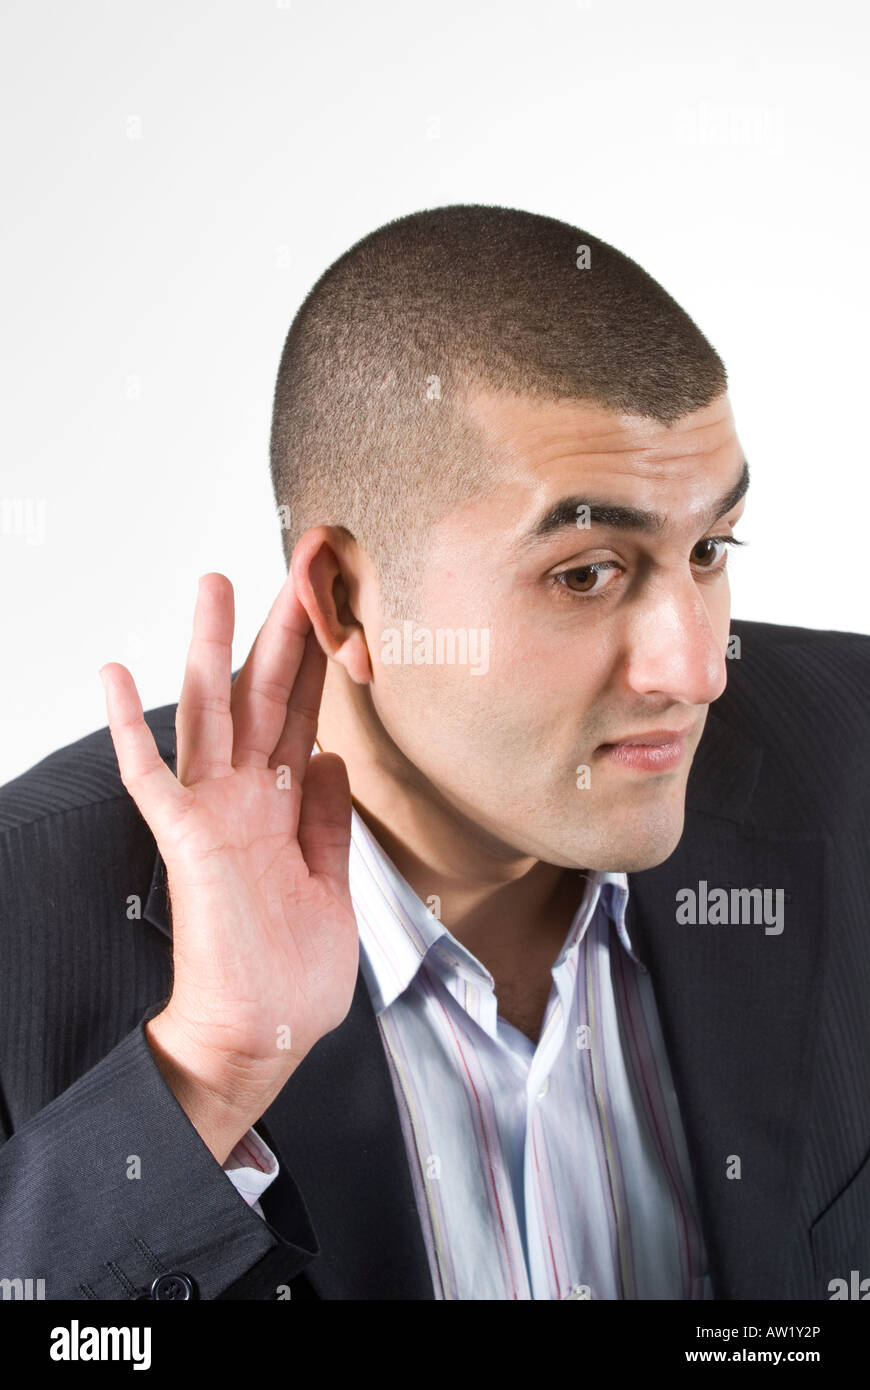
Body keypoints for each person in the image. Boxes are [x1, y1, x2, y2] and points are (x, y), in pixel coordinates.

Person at [0, 205, 867, 1301]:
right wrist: (207, 1074)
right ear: (344, 599)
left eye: (709, 548)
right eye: (588, 571)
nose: (697, 669)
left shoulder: (852, 756)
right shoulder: (24, 922)